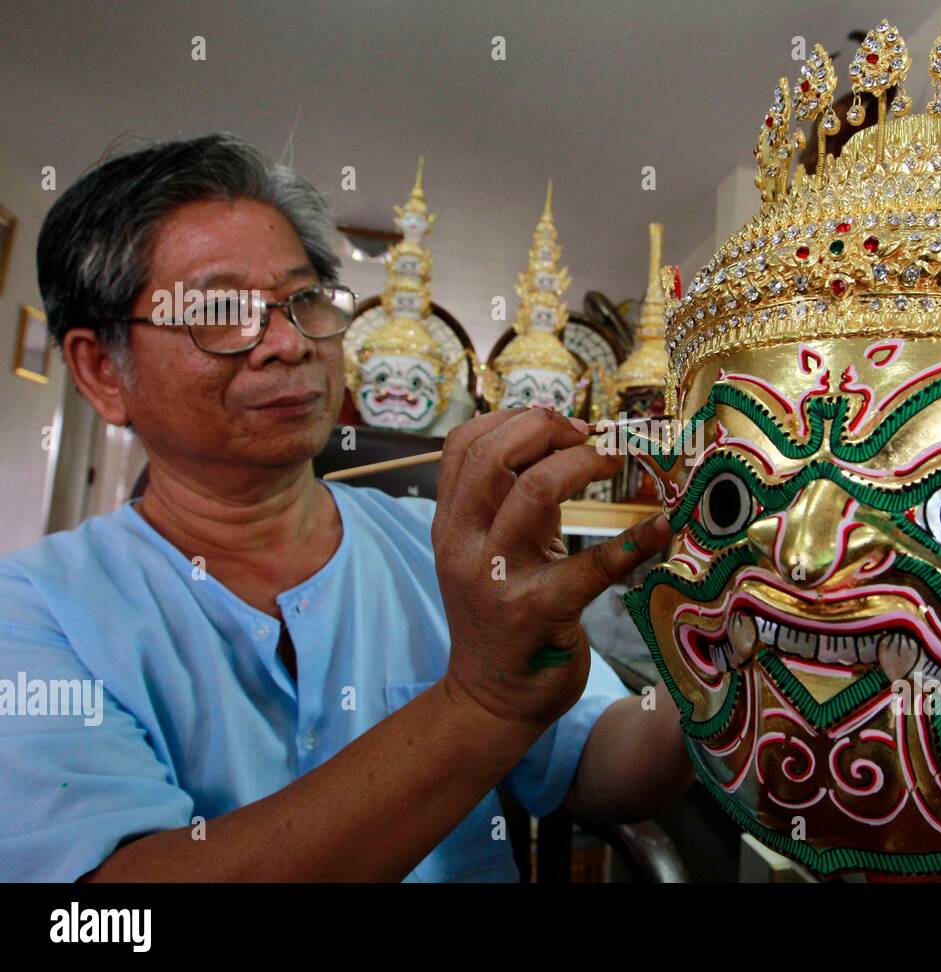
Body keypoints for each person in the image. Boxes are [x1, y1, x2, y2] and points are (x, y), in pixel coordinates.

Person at [0, 134, 692, 882]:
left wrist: (719, 665)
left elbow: (599, 757)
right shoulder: (35, 617)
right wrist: (481, 703)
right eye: (224, 309)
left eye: (303, 301)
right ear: (103, 370)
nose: (288, 344)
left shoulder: (443, 546)